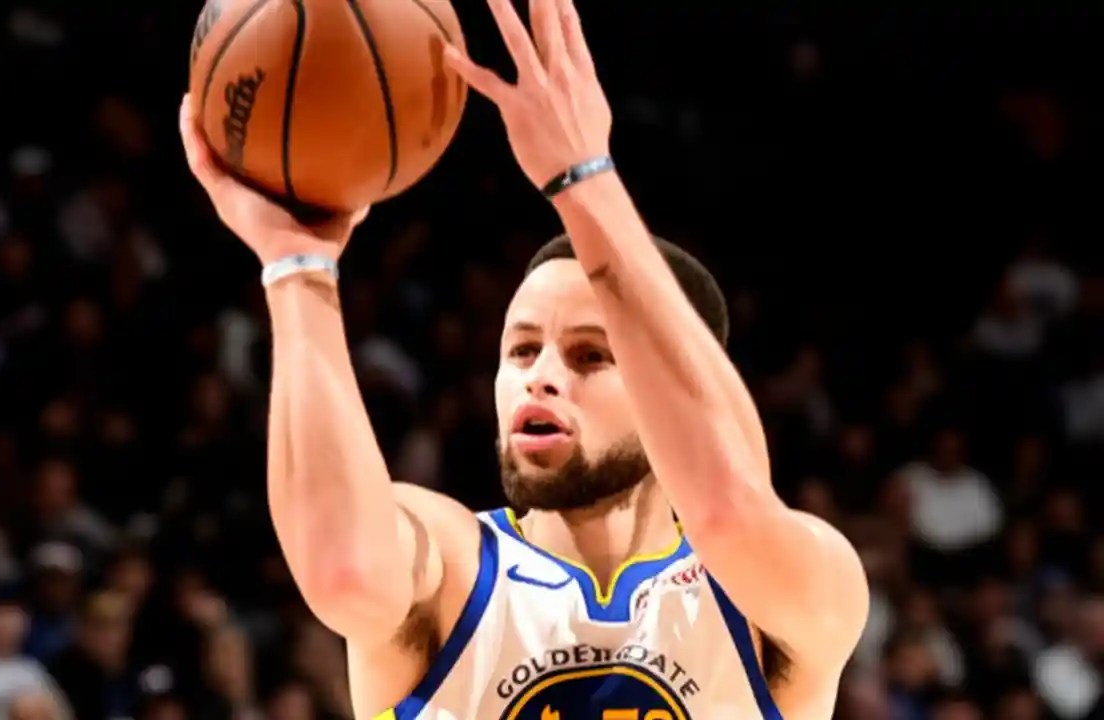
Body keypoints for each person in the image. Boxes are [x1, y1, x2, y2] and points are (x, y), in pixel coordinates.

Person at [177, 0, 869, 716]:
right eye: (522, 348)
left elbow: (728, 510)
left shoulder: (783, 596)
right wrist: (297, 268)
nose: (540, 375)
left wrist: (585, 178)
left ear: (672, 390)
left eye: (591, 355)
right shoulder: (450, 568)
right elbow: (343, 571)